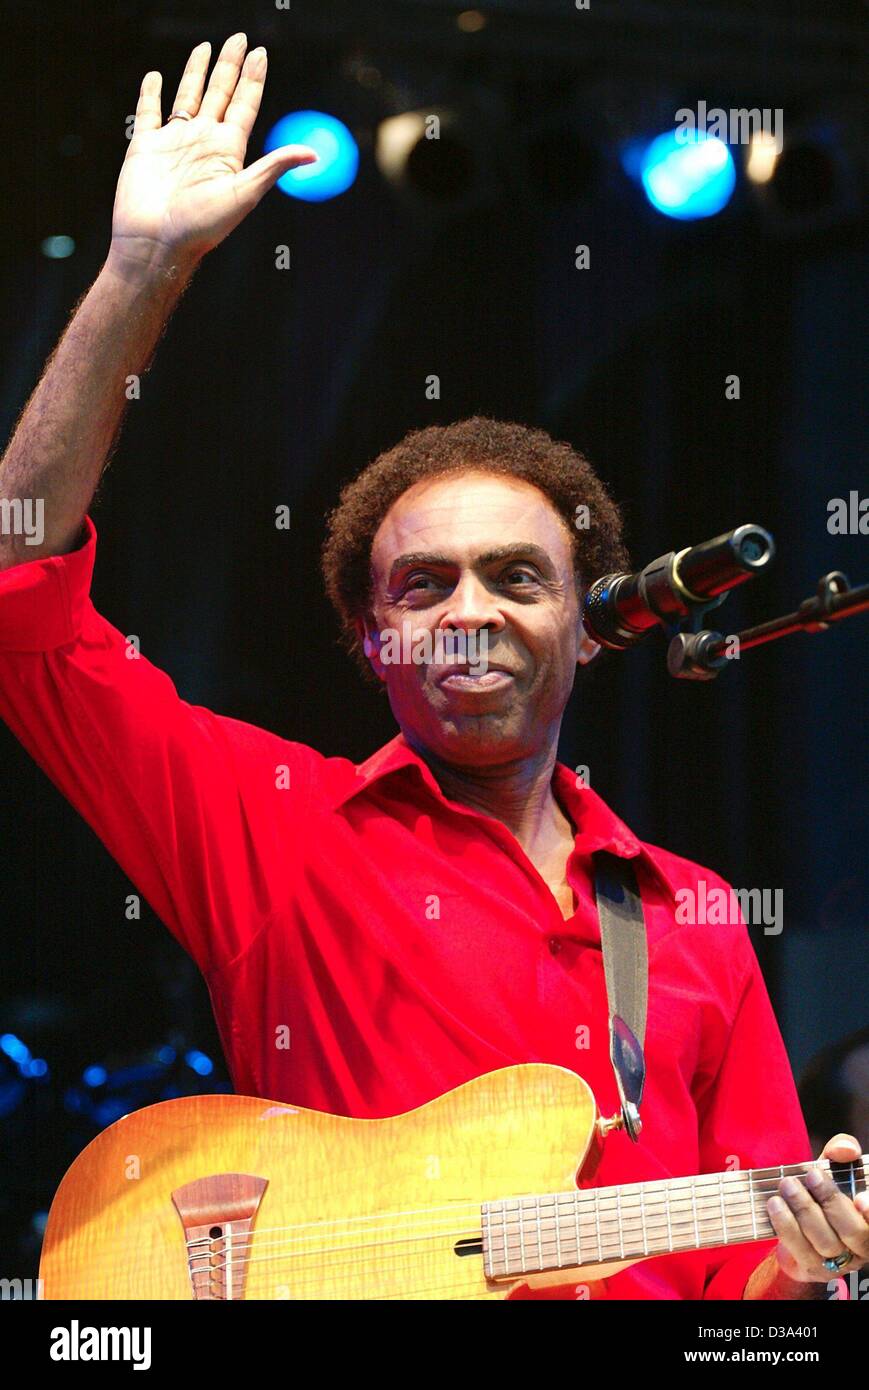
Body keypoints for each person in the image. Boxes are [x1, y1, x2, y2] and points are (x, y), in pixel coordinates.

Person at [0, 34, 865, 1301]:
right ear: (371, 640)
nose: (468, 611)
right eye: (422, 584)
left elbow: (739, 1293)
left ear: (587, 625)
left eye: (516, 578)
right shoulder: (276, 831)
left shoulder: (694, 917)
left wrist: (807, 1271)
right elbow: (19, 597)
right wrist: (141, 272)